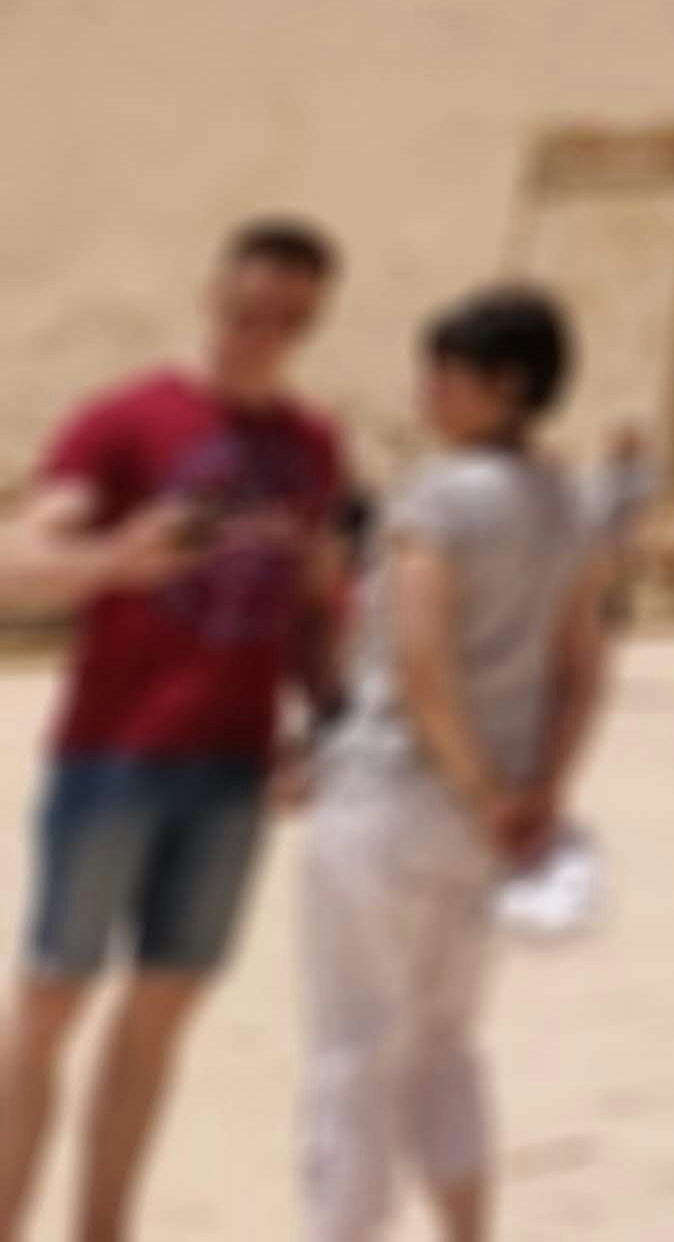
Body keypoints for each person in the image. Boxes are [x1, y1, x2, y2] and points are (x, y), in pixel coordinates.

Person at [0, 218, 346, 1242]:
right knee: (52, 1005)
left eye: (288, 321)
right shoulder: (125, 421)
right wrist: (114, 561)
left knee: (158, 1018)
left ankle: (104, 1228)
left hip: (235, 771)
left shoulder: (314, 446)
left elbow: (310, 604)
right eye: (247, 313)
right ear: (212, 297)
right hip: (112, 757)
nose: (261, 336)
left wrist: (322, 723)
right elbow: (18, 557)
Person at [294, 286, 611, 1242]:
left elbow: (421, 663)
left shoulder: (435, 494)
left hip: (393, 796)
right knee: (445, 1048)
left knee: (354, 1050)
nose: (427, 389)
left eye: (446, 372)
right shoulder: (576, 503)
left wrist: (479, 787)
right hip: (492, 822)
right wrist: (536, 794)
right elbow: (583, 669)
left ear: (505, 386)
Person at [583, 427, 655, 633]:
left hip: (619, 537)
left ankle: (613, 621)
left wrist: (637, 539)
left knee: (615, 581)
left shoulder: (639, 476)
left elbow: (638, 510)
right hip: (596, 533)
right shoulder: (603, 470)